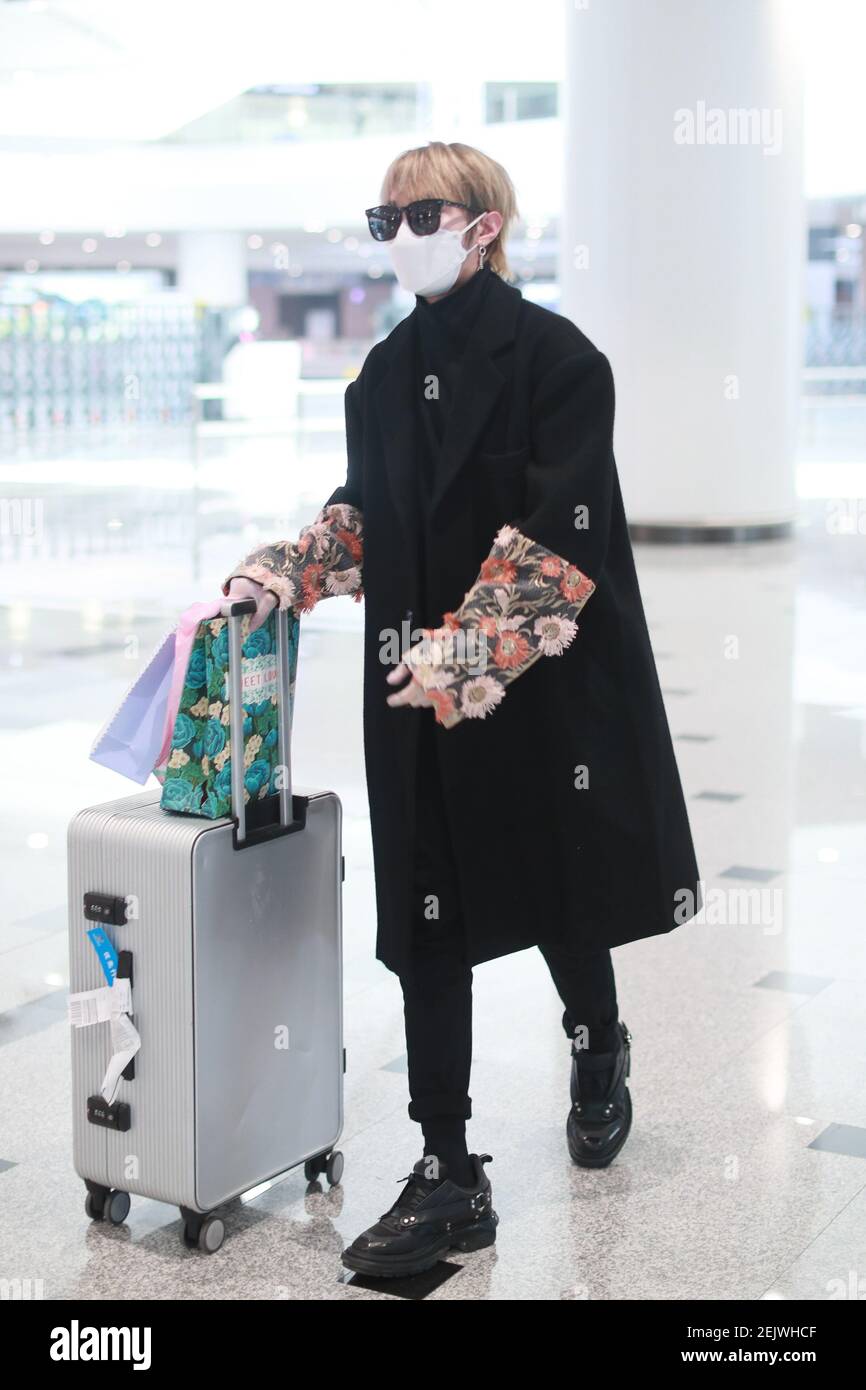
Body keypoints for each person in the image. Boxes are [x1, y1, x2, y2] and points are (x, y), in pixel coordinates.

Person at [221, 141, 701, 1279]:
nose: (397, 235)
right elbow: (365, 510)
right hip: (410, 685)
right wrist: (286, 568)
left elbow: (562, 530)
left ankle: (596, 1053)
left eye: (417, 213)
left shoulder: (559, 362)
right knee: (425, 917)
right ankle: (448, 1166)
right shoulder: (384, 374)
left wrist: (470, 647)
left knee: (558, 890)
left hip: (531, 689)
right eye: (380, 218)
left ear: (483, 223)